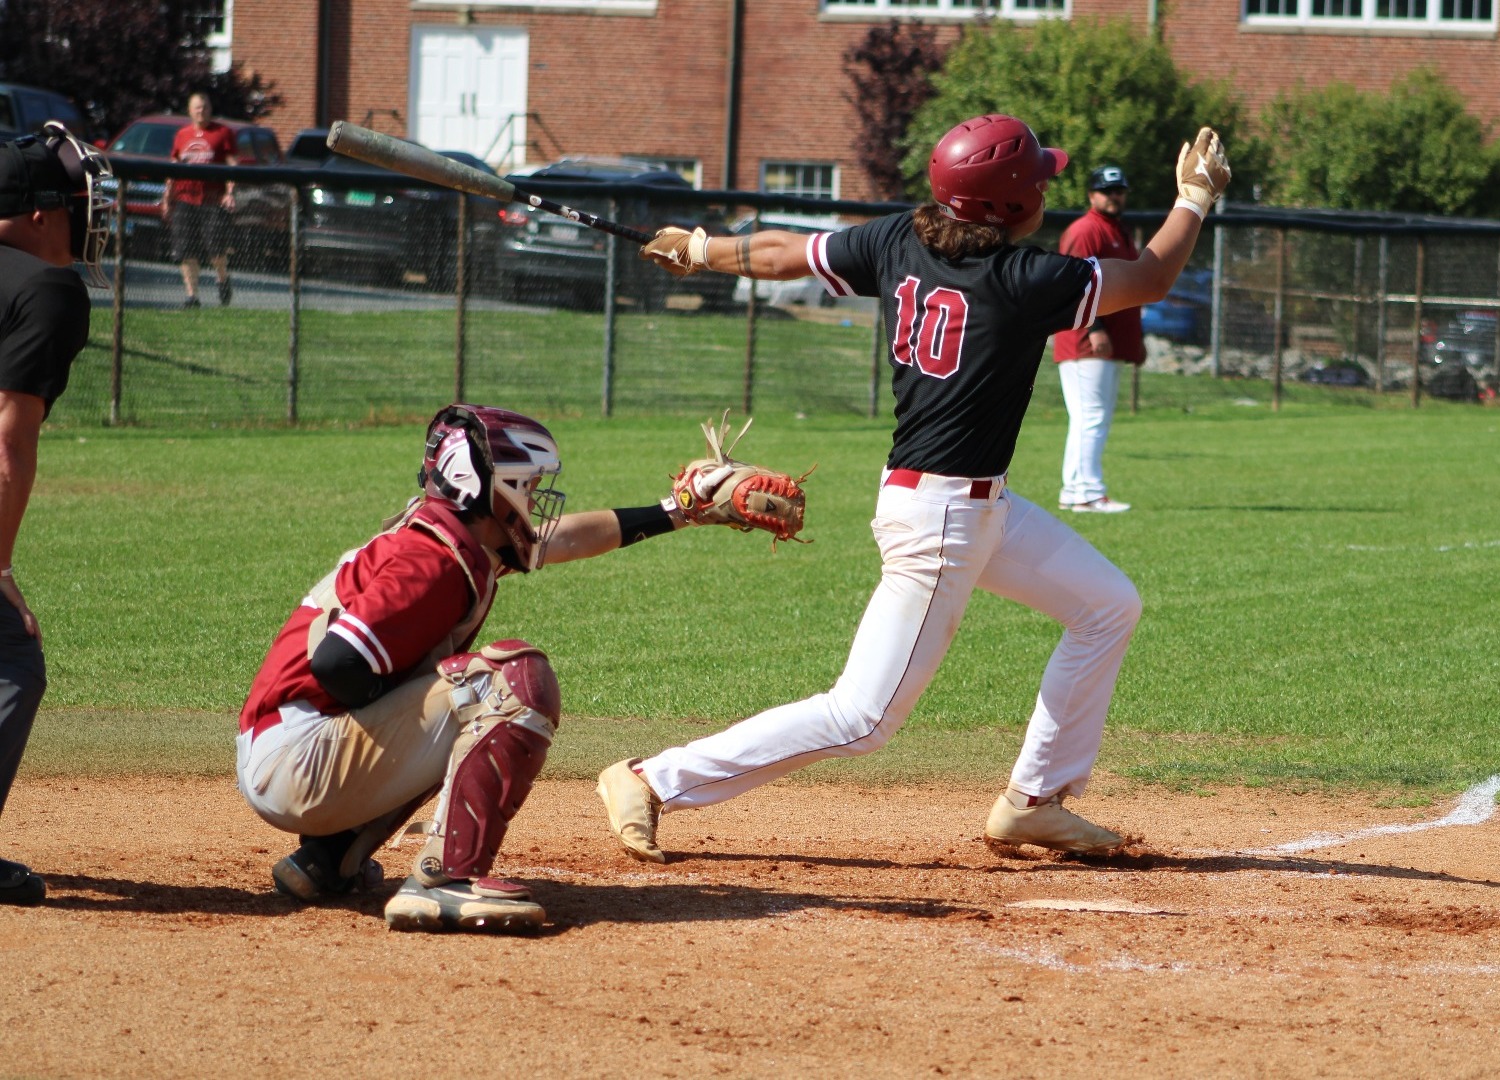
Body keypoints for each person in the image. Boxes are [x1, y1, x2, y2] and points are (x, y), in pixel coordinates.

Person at [602, 114, 1230, 862]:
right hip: (940, 520)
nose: (1045, 190)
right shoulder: (1025, 278)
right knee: (860, 718)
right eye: (1036, 181)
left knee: (1106, 606)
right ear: (1007, 204)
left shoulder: (900, 239)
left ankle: (1034, 802)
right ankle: (652, 778)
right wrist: (1194, 198)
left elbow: (782, 252)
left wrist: (703, 248)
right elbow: (1152, 276)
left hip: (975, 506)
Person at [237, 404, 769, 932]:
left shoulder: (450, 537)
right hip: (298, 761)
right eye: (527, 484)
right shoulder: (432, 561)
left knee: (451, 703)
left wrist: (678, 510)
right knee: (511, 682)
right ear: (486, 485)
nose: (535, 498)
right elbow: (338, 664)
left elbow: (564, 540)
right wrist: (405, 708)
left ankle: (328, 858)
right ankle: (446, 879)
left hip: (292, 748)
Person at [0, 122, 111, 905]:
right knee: (13, 662)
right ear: (39, 214)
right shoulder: (48, 288)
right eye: (74, 205)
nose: (84, 217)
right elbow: (9, 442)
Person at [1053, 165, 1144, 514]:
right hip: (1085, 339)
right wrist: (1094, 329)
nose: (1114, 196)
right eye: (1107, 191)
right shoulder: (1086, 230)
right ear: (1092, 195)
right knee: (1089, 417)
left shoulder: (1118, 230)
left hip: (1107, 340)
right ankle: (1085, 493)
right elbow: (1074, 284)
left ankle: (1076, 491)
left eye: (1119, 190)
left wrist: (1134, 339)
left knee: (1093, 417)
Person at [162, 92, 237, 309]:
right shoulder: (182, 135)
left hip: (212, 200)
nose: (201, 111)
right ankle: (192, 296)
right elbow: (173, 168)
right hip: (185, 199)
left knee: (216, 249)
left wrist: (230, 192)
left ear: (210, 109)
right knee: (185, 249)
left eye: (204, 107)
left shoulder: (222, 133)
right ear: (189, 110)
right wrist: (167, 197)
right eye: (197, 107)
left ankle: (222, 278)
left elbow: (233, 165)